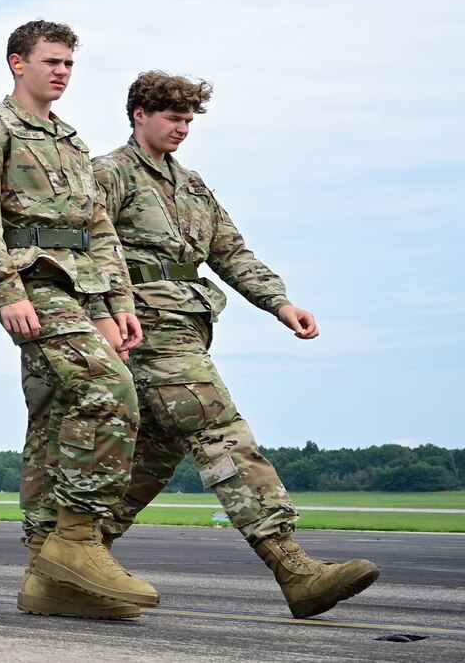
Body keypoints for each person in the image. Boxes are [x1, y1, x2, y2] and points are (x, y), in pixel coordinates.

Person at [94, 72, 379, 618]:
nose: (181, 129)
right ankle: (292, 567)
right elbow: (87, 253)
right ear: (138, 115)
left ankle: (78, 553)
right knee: (218, 427)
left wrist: (280, 303)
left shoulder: (193, 187)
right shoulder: (108, 175)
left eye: (187, 120)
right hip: (146, 328)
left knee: (152, 454)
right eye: (172, 118)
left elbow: (232, 253)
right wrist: (108, 317)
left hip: (190, 325)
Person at [0, 20, 156, 619]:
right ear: (18, 63)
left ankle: (46, 577)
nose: (62, 71)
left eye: (69, 63)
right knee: (108, 389)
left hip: (85, 287)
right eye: (52, 61)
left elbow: (99, 226)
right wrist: (5, 288)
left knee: (54, 416)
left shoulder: (72, 141)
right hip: (31, 282)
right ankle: (76, 541)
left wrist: (119, 302)